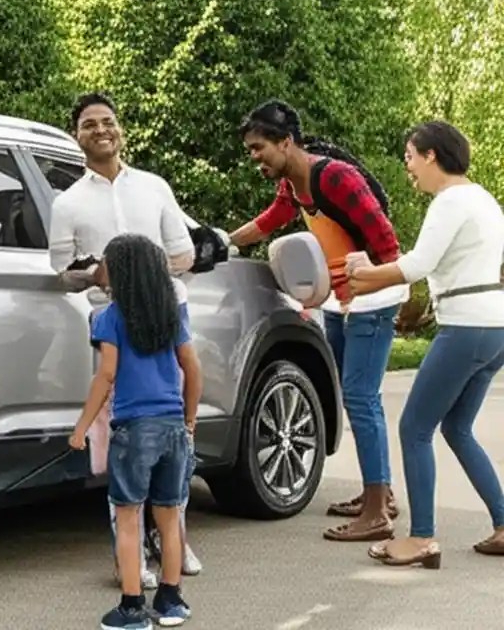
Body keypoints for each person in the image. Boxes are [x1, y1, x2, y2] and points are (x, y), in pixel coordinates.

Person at [227, 100, 405, 542]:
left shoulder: (336, 178)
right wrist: (221, 242)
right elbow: (270, 221)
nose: (254, 157)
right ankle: (379, 496)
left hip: (372, 297)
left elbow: (387, 243)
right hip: (342, 301)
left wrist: (371, 288)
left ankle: (377, 512)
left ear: (286, 142)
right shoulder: (294, 184)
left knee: (361, 399)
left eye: (259, 147)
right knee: (358, 397)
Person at [47, 93, 202, 589]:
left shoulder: (154, 187)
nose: (100, 130)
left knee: (170, 425)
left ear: (121, 130)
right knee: (122, 438)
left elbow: (184, 255)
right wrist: (97, 273)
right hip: (111, 320)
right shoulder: (67, 202)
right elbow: (60, 272)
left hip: (165, 313)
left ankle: (174, 536)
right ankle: (129, 558)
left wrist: (146, 276)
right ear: (78, 135)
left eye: (108, 121)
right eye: (89, 124)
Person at [350, 121, 504, 568]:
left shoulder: (450, 200)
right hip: (494, 327)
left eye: (410, 158)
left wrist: (361, 276)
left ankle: (421, 538)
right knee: (456, 428)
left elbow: (417, 265)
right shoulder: (483, 199)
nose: (408, 168)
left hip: (466, 327)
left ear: (432, 155)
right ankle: (502, 522)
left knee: (414, 428)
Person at [69, 233, 202, 629]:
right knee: (169, 516)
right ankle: (172, 600)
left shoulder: (110, 317)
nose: (99, 270)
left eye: (106, 263)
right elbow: (192, 369)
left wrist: (81, 428)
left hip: (133, 430)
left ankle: (131, 608)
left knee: (129, 518)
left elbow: (105, 375)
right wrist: (189, 421)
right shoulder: (171, 315)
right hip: (174, 427)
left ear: (122, 271)